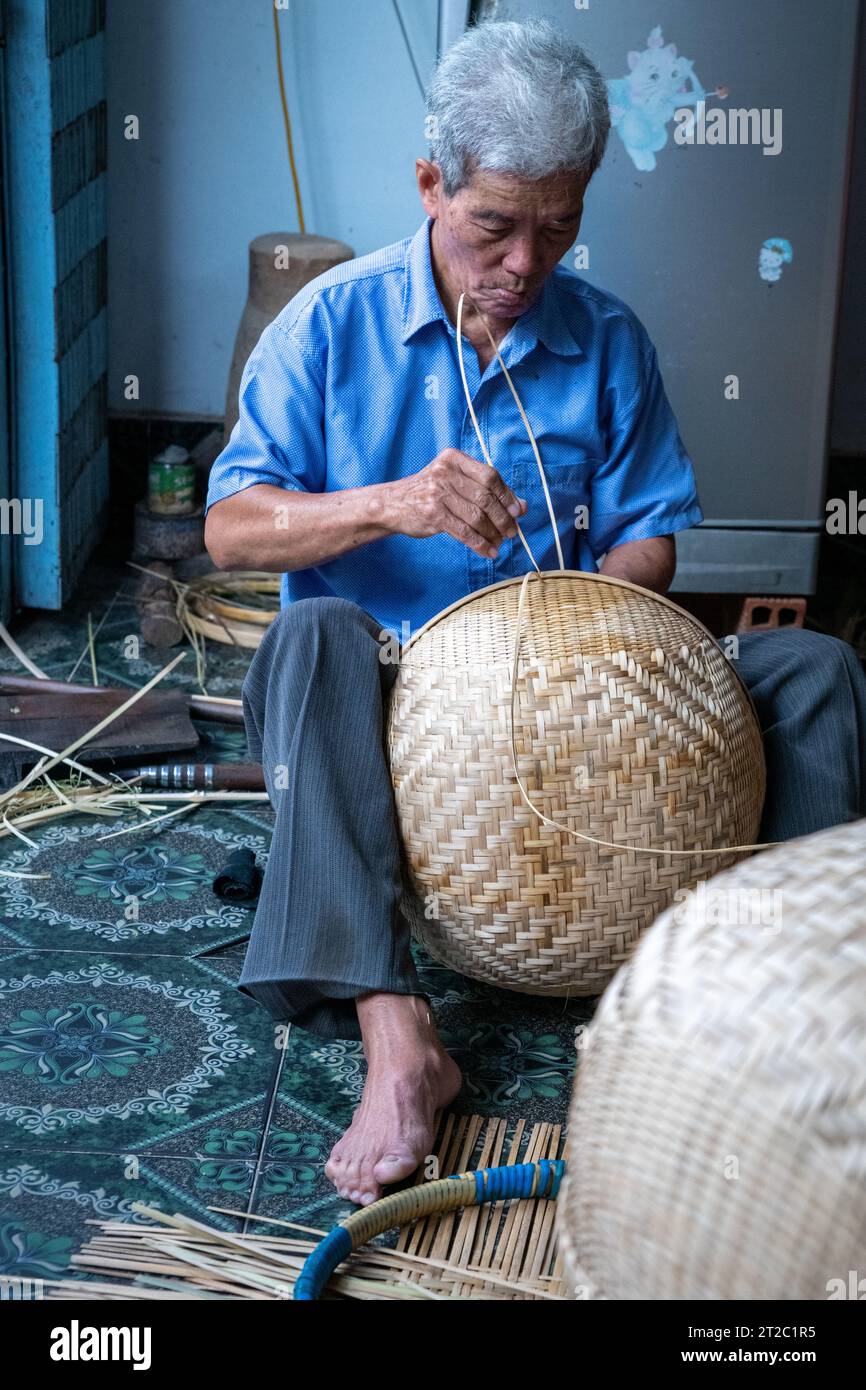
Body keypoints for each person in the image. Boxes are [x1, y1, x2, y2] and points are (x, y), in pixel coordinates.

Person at [203, 19, 866, 1208]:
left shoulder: (604, 340)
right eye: (492, 226)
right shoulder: (332, 322)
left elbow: (651, 532)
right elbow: (231, 528)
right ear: (429, 186)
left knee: (811, 668)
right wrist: (392, 504)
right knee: (309, 639)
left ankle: (774, 1005)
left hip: (587, 688)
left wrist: (595, 628)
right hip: (397, 697)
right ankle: (398, 1034)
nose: (522, 261)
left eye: (555, 227)